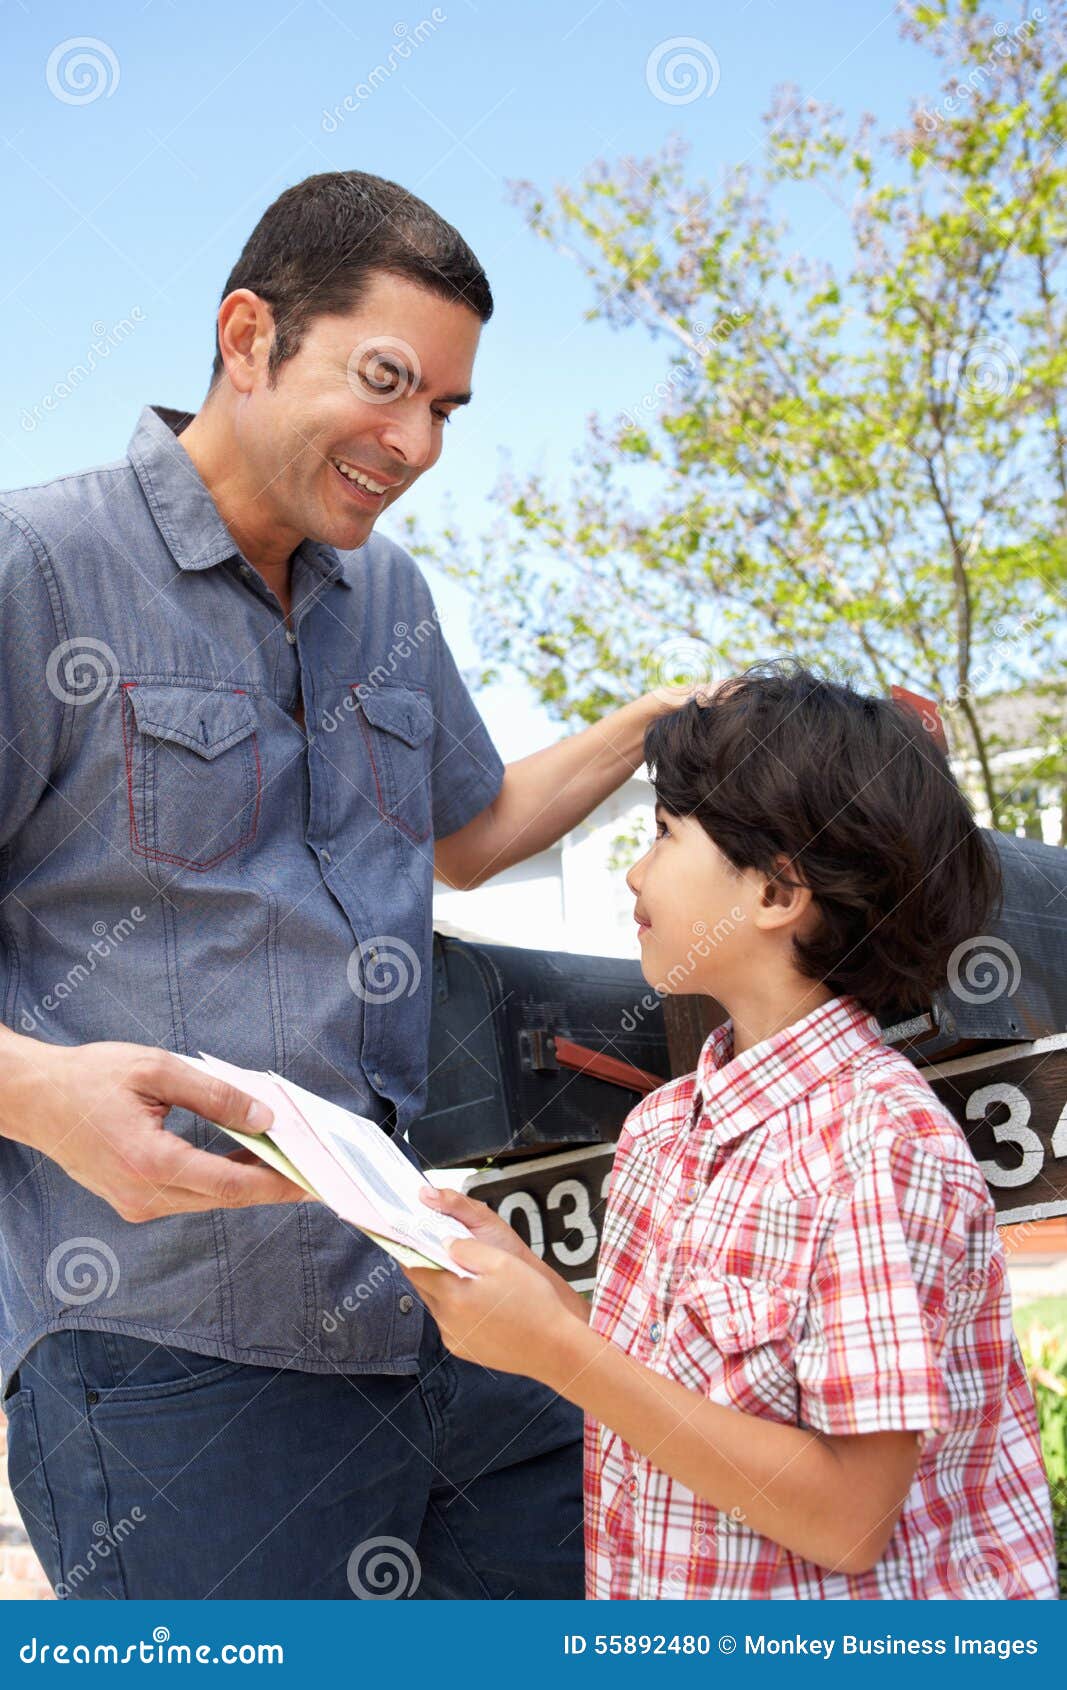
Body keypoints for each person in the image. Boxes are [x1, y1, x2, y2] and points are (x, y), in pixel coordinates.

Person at [0, 169, 694, 1599]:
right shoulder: (38, 570)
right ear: (247, 334)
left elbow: (471, 828)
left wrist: (661, 717)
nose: (414, 441)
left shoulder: (390, 599)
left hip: (421, 1315)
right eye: (386, 382)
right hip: (162, 1346)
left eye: (443, 407)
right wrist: (35, 1093)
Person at [406, 663, 1060, 1600]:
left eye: (665, 834)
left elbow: (848, 1519)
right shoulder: (665, 1128)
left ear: (775, 891)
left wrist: (558, 1353)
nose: (634, 868)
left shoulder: (876, 1145)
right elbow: (667, 1380)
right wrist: (540, 1299)